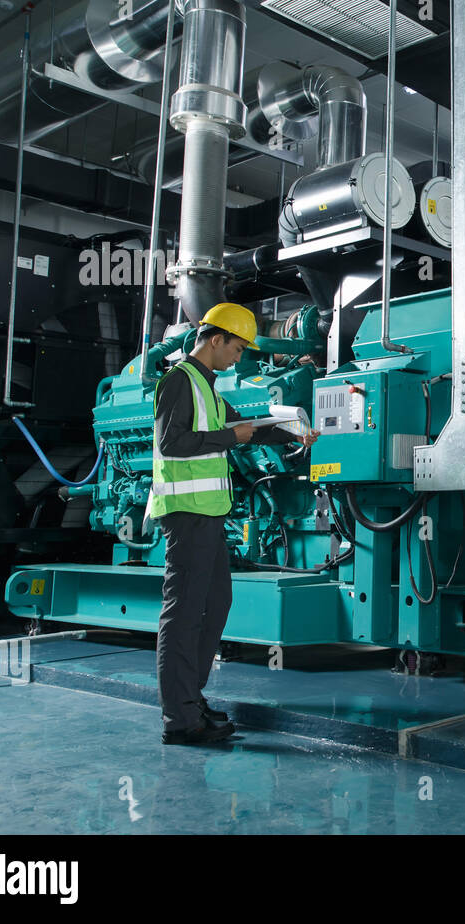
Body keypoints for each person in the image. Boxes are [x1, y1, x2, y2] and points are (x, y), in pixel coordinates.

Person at [145, 302, 319, 744]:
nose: (238, 357)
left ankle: (191, 697)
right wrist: (229, 437)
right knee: (183, 614)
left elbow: (247, 427)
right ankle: (179, 720)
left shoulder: (208, 388)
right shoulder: (178, 381)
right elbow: (172, 442)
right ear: (215, 338)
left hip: (208, 516)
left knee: (215, 603)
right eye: (237, 348)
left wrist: (294, 433)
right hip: (186, 517)